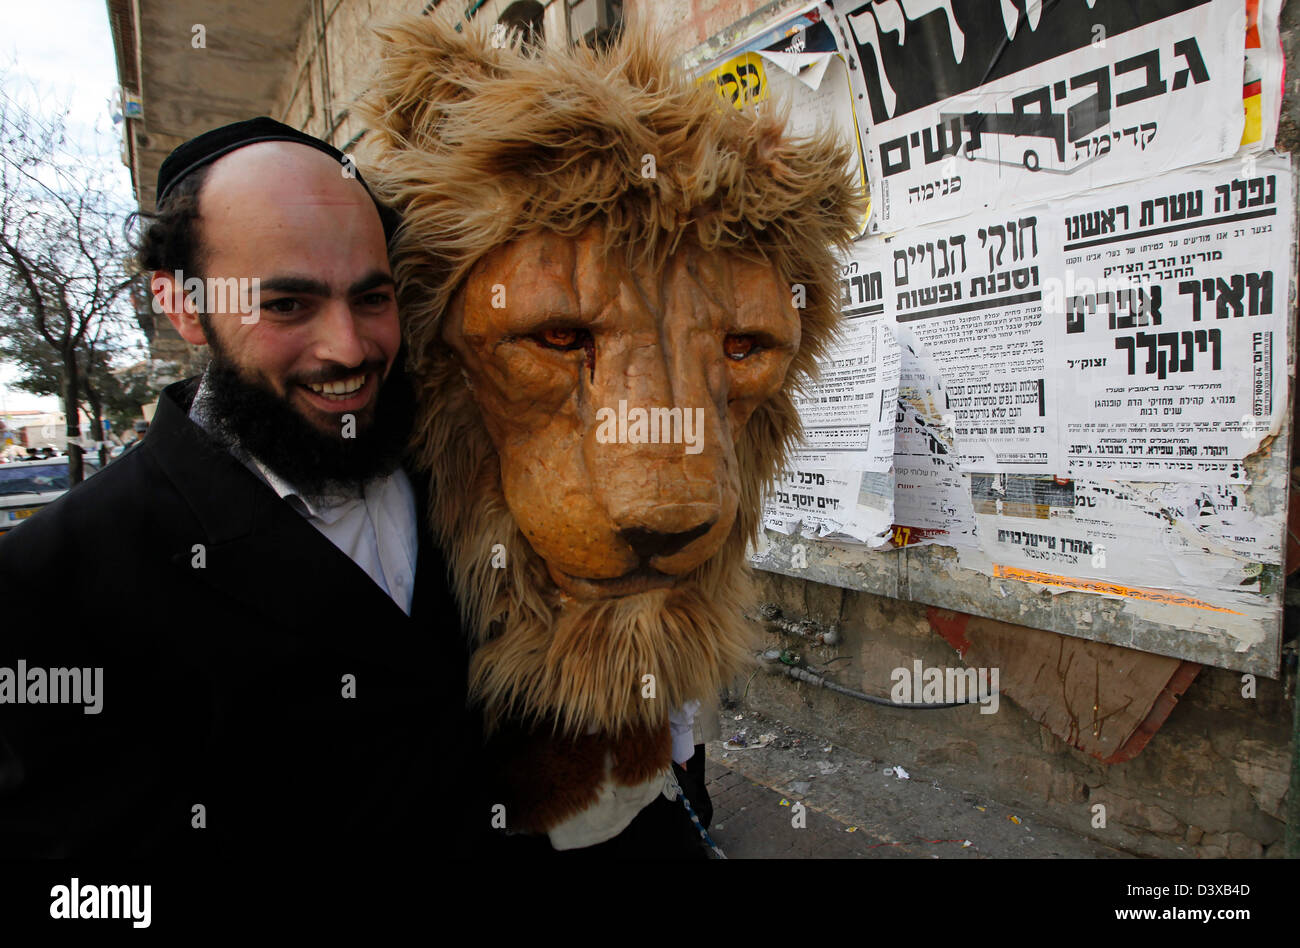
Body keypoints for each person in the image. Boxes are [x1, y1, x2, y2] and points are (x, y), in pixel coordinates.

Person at [0, 118, 475, 856]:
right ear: (183, 304)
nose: (348, 347)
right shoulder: (54, 581)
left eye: (372, 299)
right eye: (288, 305)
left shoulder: (460, 476)